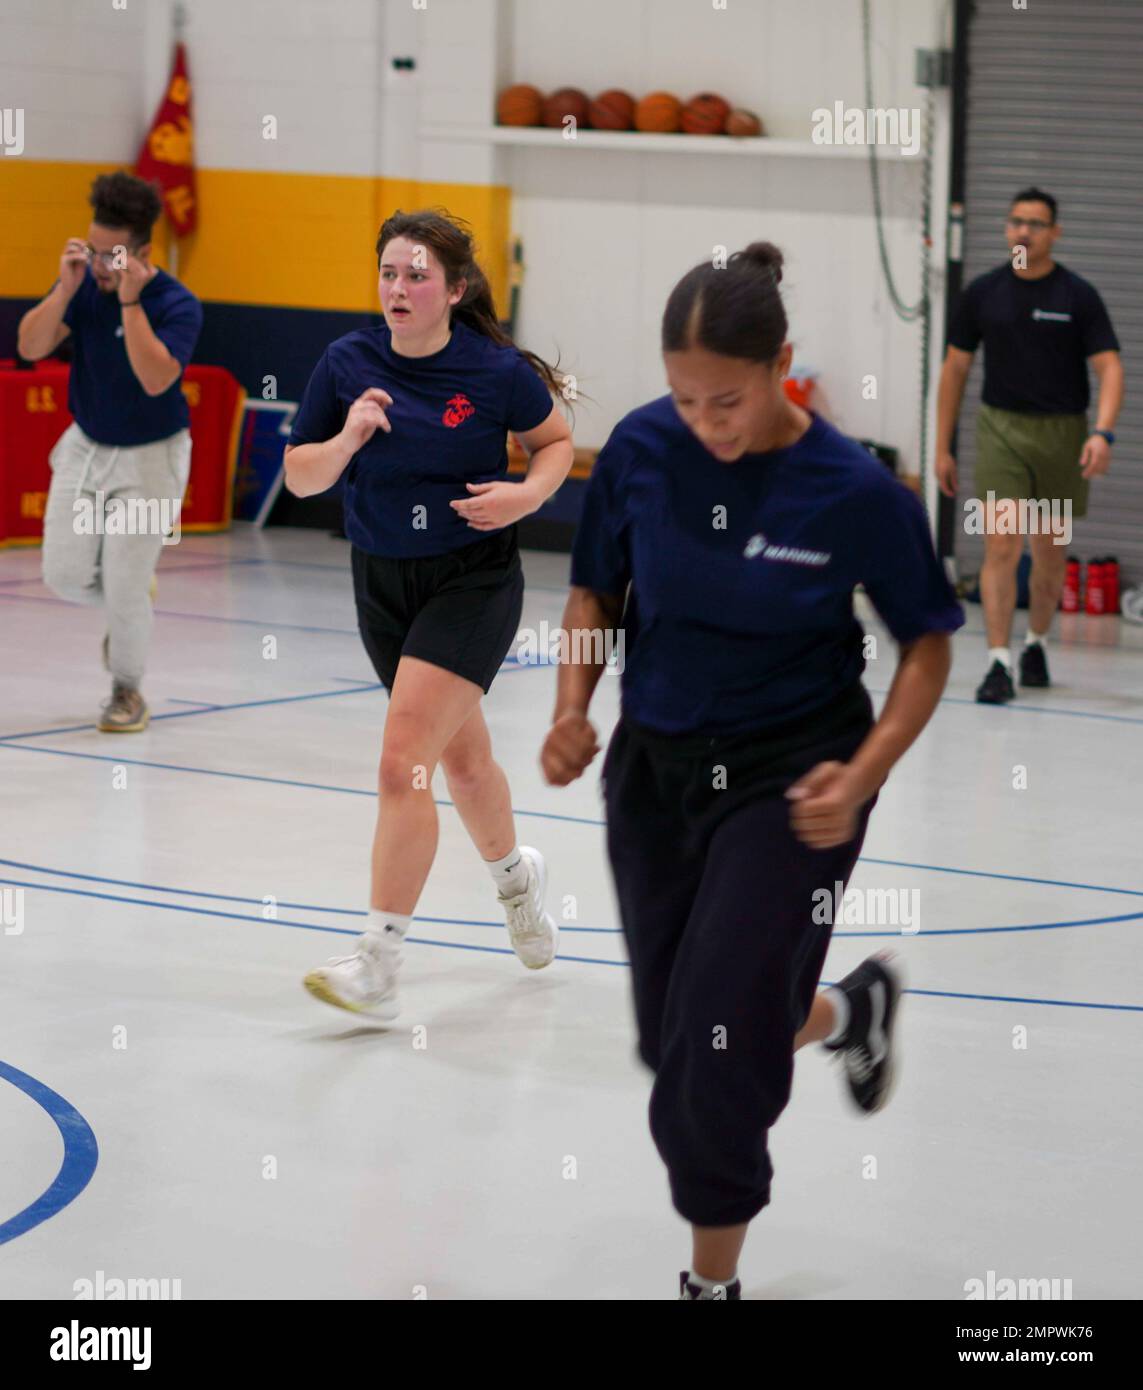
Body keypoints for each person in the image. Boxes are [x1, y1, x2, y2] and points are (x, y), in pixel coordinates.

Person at [540, 242, 964, 1299]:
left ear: (782, 366)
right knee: (675, 1036)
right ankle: (846, 1013)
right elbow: (594, 591)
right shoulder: (640, 449)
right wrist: (569, 710)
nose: (705, 424)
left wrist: (859, 776)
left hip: (794, 783)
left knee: (714, 1054)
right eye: (684, 398)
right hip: (656, 772)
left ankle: (711, 1283)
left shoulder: (853, 490)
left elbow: (925, 645)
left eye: (726, 401)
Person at [285, 209, 574, 1019]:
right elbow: (302, 476)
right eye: (389, 273)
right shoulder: (346, 362)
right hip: (381, 582)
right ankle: (517, 883)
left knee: (400, 763)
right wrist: (347, 439)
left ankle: (378, 961)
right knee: (464, 764)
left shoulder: (494, 370)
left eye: (416, 276)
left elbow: (555, 443)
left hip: (472, 582)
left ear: (454, 289)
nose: (399, 288)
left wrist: (525, 495)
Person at [17, 171, 203, 731]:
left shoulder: (177, 304)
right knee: (63, 575)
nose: (99, 264)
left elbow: (156, 379)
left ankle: (127, 689)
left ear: (142, 254)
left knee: (124, 585)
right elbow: (30, 346)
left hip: (151, 458)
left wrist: (129, 302)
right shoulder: (82, 288)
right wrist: (63, 288)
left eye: (112, 256)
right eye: (92, 250)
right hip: (86, 447)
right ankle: (132, 593)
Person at [936, 186, 1123, 703]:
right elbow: (954, 369)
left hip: (1061, 437)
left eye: (1035, 224)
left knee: (1049, 557)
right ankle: (998, 661)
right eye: (1016, 221)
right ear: (1006, 228)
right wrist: (942, 446)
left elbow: (1110, 368)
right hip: (1001, 431)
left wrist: (1103, 432)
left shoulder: (1077, 296)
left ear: (1054, 233)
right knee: (1001, 545)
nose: (1023, 231)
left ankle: (1036, 642)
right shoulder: (983, 293)